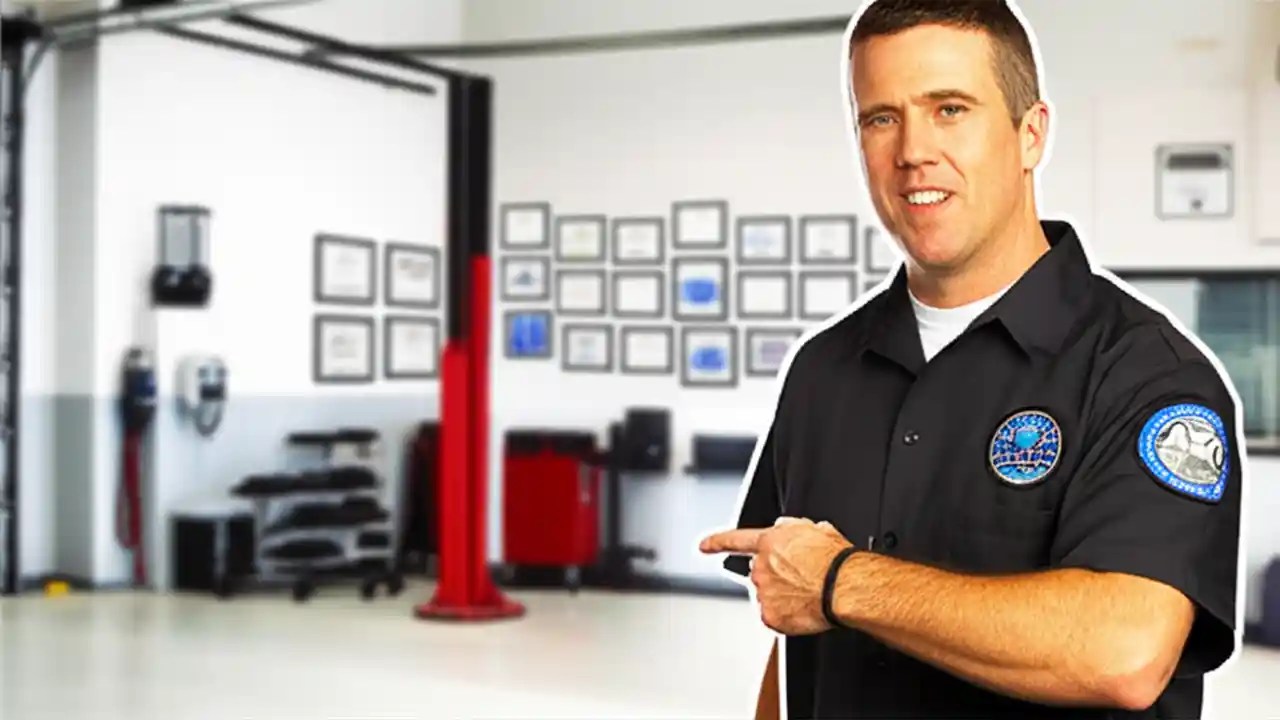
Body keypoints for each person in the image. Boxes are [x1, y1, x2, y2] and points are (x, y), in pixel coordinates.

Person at [698, 1, 1246, 718]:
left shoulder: (1147, 375)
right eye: (880, 117)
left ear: (1030, 134)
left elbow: (1126, 650)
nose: (913, 150)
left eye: (949, 108)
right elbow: (796, 636)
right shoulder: (823, 370)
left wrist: (842, 581)